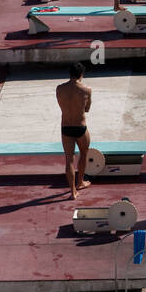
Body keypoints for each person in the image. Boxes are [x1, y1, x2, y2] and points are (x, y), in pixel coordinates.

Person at [55, 62, 93, 199]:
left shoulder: (59, 89)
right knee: (83, 153)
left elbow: (61, 105)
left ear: (69, 74)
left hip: (66, 127)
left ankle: (72, 192)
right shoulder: (86, 89)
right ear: (81, 74)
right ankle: (80, 182)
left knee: (69, 160)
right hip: (80, 127)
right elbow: (87, 109)